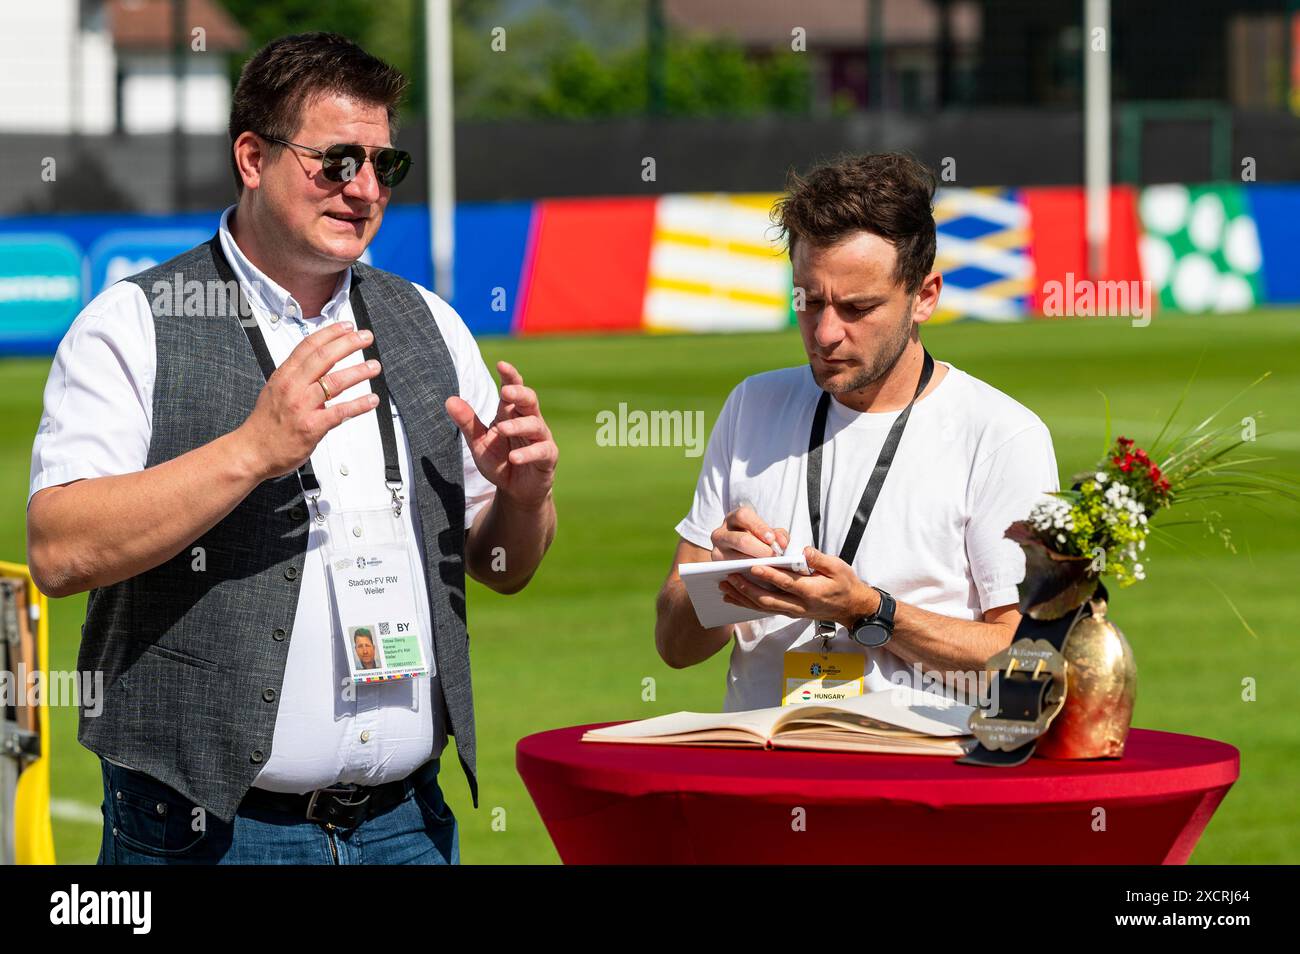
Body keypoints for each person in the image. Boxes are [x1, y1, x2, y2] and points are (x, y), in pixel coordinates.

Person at [25, 32, 558, 864]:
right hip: (207, 834)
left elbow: (505, 570)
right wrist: (251, 450)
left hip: (406, 826)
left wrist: (526, 501)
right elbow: (58, 552)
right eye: (336, 161)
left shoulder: (431, 324)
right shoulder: (130, 324)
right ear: (252, 156)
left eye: (386, 165)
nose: (365, 188)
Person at [654, 152, 1058, 713]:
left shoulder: (1001, 435)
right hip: (763, 772)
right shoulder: (752, 403)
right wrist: (727, 588)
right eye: (809, 300)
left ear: (925, 296)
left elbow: (1030, 653)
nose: (825, 333)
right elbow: (673, 647)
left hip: (919, 777)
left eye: (857, 307)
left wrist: (870, 609)